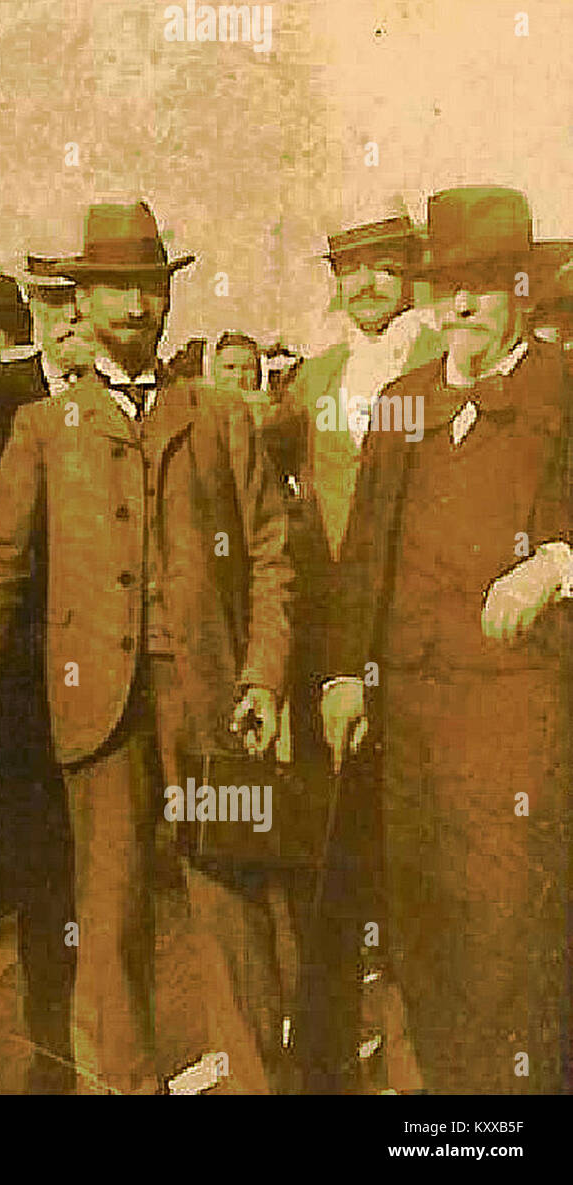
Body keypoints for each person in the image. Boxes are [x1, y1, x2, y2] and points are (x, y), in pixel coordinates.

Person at [0, 200, 295, 1094]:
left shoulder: (219, 416)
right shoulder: (42, 429)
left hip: (212, 695)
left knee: (234, 898)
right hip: (95, 698)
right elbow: (1, 570)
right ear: (81, 303)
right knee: (107, 913)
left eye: (149, 290)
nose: (137, 310)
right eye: (117, 292)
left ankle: (258, 1081)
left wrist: (263, 675)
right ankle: (120, 1083)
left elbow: (271, 557)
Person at [322, 186, 572, 1094]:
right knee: (422, 951)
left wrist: (556, 561)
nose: (459, 306)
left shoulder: (563, 389)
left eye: (481, 285)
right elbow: (358, 561)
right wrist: (343, 673)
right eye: (446, 287)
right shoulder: (400, 402)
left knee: (513, 956)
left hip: (521, 734)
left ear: (520, 289)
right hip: (412, 738)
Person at [269, 211, 443, 1090]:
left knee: (417, 855)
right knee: (339, 856)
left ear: (412, 272)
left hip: (419, 631)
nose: (367, 284)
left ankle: (422, 1065)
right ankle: (337, 1057)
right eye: (350, 270)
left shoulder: (440, 359)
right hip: (334, 640)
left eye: (383, 267)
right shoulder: (315, 378)